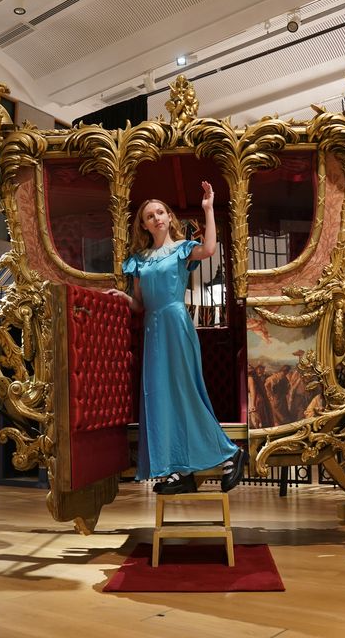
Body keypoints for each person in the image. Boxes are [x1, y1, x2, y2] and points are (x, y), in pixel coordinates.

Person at [107, 181, 245, 495]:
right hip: (153, 329)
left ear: (169, 217)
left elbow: (209, 249)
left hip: (176, 324)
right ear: (144, 225)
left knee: (185, 393)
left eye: (160, 212)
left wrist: (208, 209)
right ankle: (180, 470)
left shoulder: (182, 249)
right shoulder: (139, 259)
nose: (156, 218)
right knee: (160, 397)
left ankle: (230, 453)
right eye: (149, 216)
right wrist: (123, 298)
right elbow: (140, 304)